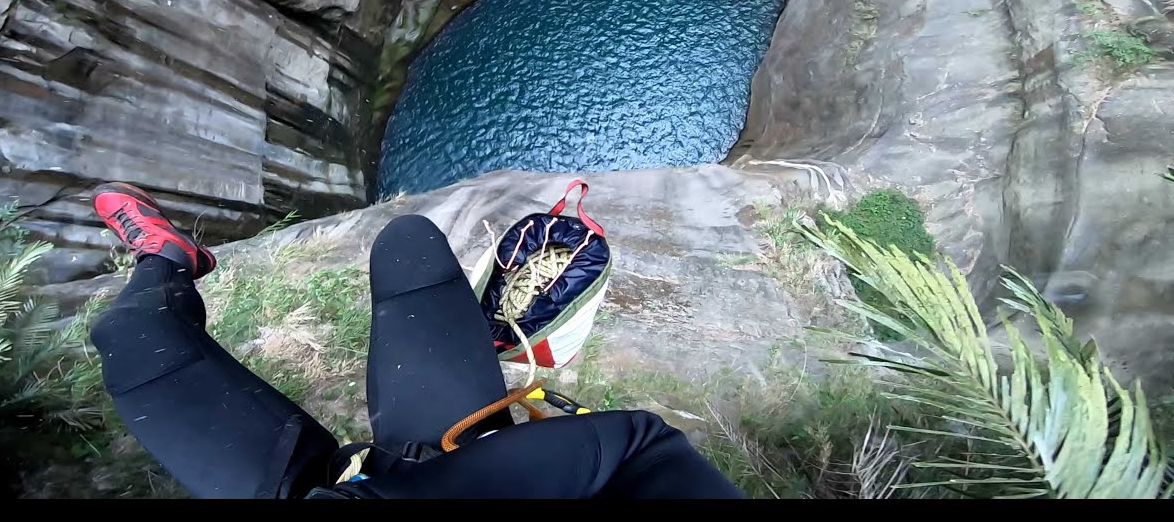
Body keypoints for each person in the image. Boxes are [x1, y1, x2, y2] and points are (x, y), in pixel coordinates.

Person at [89, 182, 745, 499]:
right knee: (409, 245)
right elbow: (641, 451)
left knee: (126, 332)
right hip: (445, 459)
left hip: (308, 490)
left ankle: (165, 258)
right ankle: (492, 375)